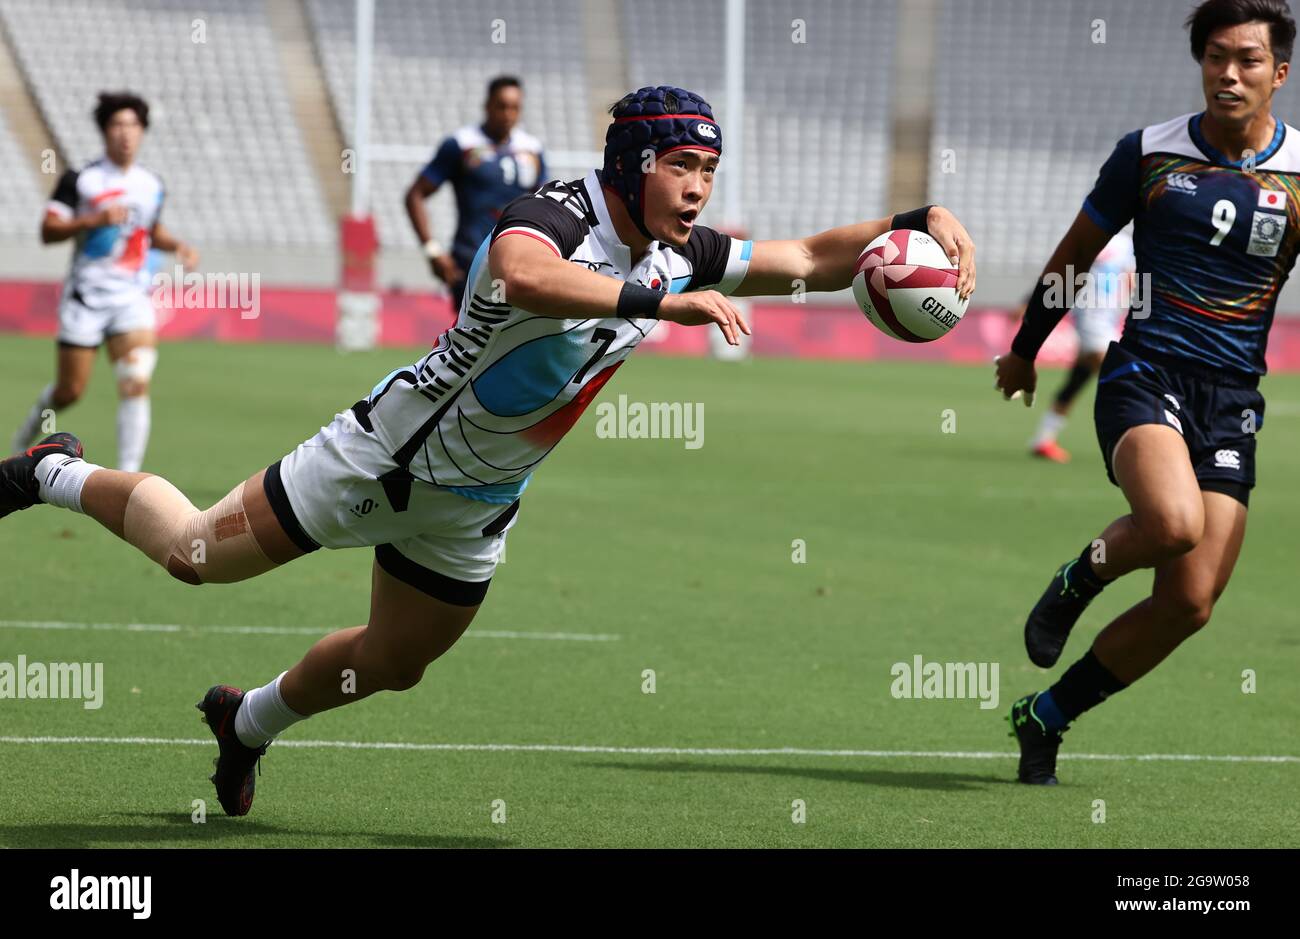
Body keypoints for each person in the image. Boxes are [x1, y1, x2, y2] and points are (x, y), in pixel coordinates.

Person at [1, 85, 974, 816]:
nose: (698, 190)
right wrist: (655, 302)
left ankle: (245, 719)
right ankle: (54, 469)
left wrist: (913, 221)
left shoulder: (680, 250)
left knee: (393, 662)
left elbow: (807, 260)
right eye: (684, 168)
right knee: (196, 558)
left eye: (709, 174)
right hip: (383, 457)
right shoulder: (556, 212)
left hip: (476, 503)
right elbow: (521, 277)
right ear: (635, 164)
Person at [995, 0, 1294, 785]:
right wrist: (1026, 351)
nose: (1229, 74)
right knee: (1171, 522)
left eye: (1248, 60)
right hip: (1145, 375)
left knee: (1189, 604)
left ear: (1279, 73)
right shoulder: (1148, 152)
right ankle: (1078, 578)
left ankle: (1046, 715)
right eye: (1215, 58)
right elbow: (1073, 255)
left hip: (1231, 401)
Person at [10, 91, 198, 472]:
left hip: (131, 298)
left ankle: (128, 477)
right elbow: (48, 231)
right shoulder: (81, 180)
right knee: (69, 391)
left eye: (133, 125)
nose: (125, 133)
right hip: (86, 298)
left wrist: (176, 244)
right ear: (104, 131)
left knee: (135, 380)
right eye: (117, 125)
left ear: (143, 131)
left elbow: (149, 231)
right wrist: (92, 221)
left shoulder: (151, 184)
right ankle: (23, 437)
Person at [404, 75, 545, 313]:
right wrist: (432, 251)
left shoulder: (532, 149)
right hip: (471, 260)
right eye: (501, 106)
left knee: (516, 342)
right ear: (487, 105)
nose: (508, 114)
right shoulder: (461, 144)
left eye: (514, 108)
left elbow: (542, 205)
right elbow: (415, 195)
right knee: (472, 342)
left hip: (518, 262)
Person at [1028, 229, 1136, 463]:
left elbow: (1131, 280)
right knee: (1126, 379)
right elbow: (1068, 267)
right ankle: (1135, 442)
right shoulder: (1101, 236)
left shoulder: (1127, 244)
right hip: (1091, 316)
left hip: (1107, 320)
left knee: (1078, 379)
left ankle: (1043, 439)